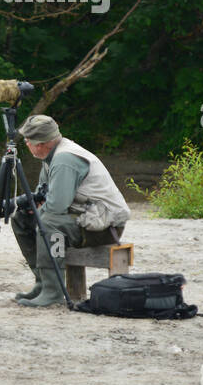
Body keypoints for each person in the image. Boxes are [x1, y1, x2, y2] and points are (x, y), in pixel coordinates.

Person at [11, 115, 131, 308]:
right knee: (21, 218)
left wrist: (41, 211)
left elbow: (57, 206)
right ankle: (42, 282)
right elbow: (45, 197)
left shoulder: (64, 159)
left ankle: (53, 290)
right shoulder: (51, 157)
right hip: (85, 219)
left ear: (40, 144)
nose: (26, 143)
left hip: (105, 227)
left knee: (47, 221)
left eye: (27, 141)